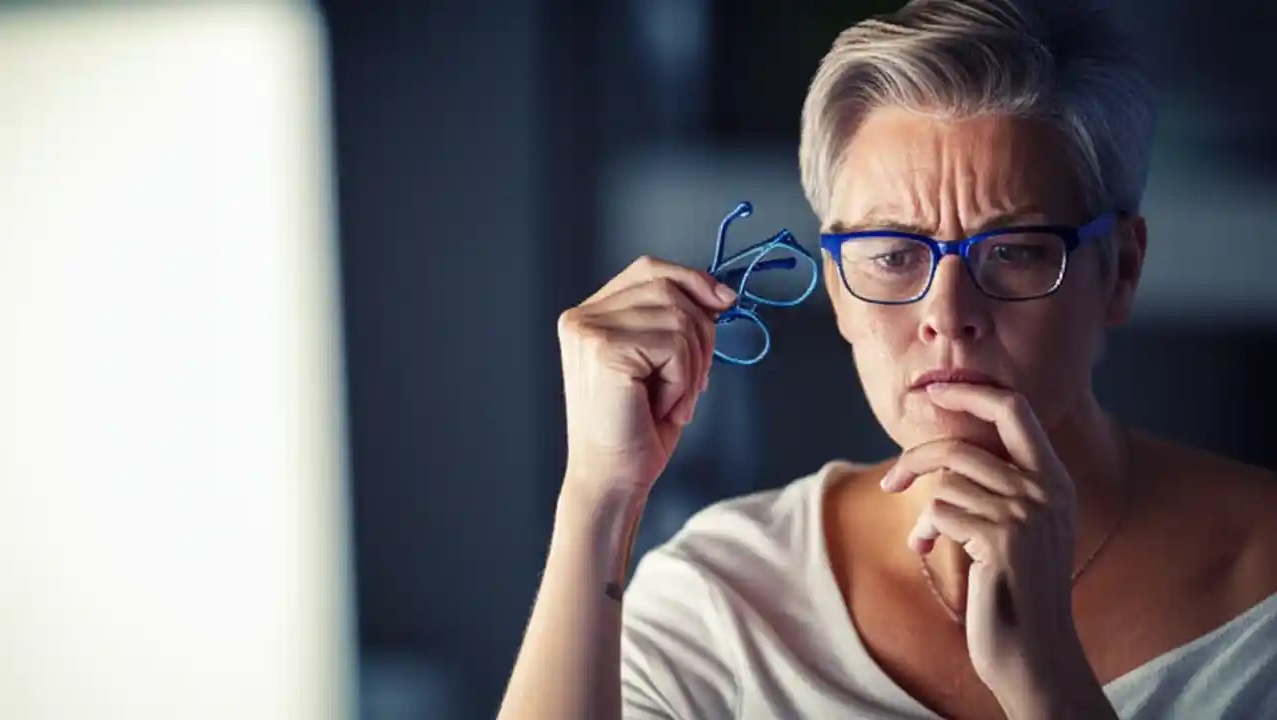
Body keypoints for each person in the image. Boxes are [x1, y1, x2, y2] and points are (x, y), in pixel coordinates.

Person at [498, 1, 1277, 718]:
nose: (948, 316)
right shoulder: (728, 599)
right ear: (836, 286)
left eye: (1010, 251)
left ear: (1122, 270)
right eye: (894, 254)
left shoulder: (1260, 596)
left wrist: (1047, 679)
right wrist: (599, 495)